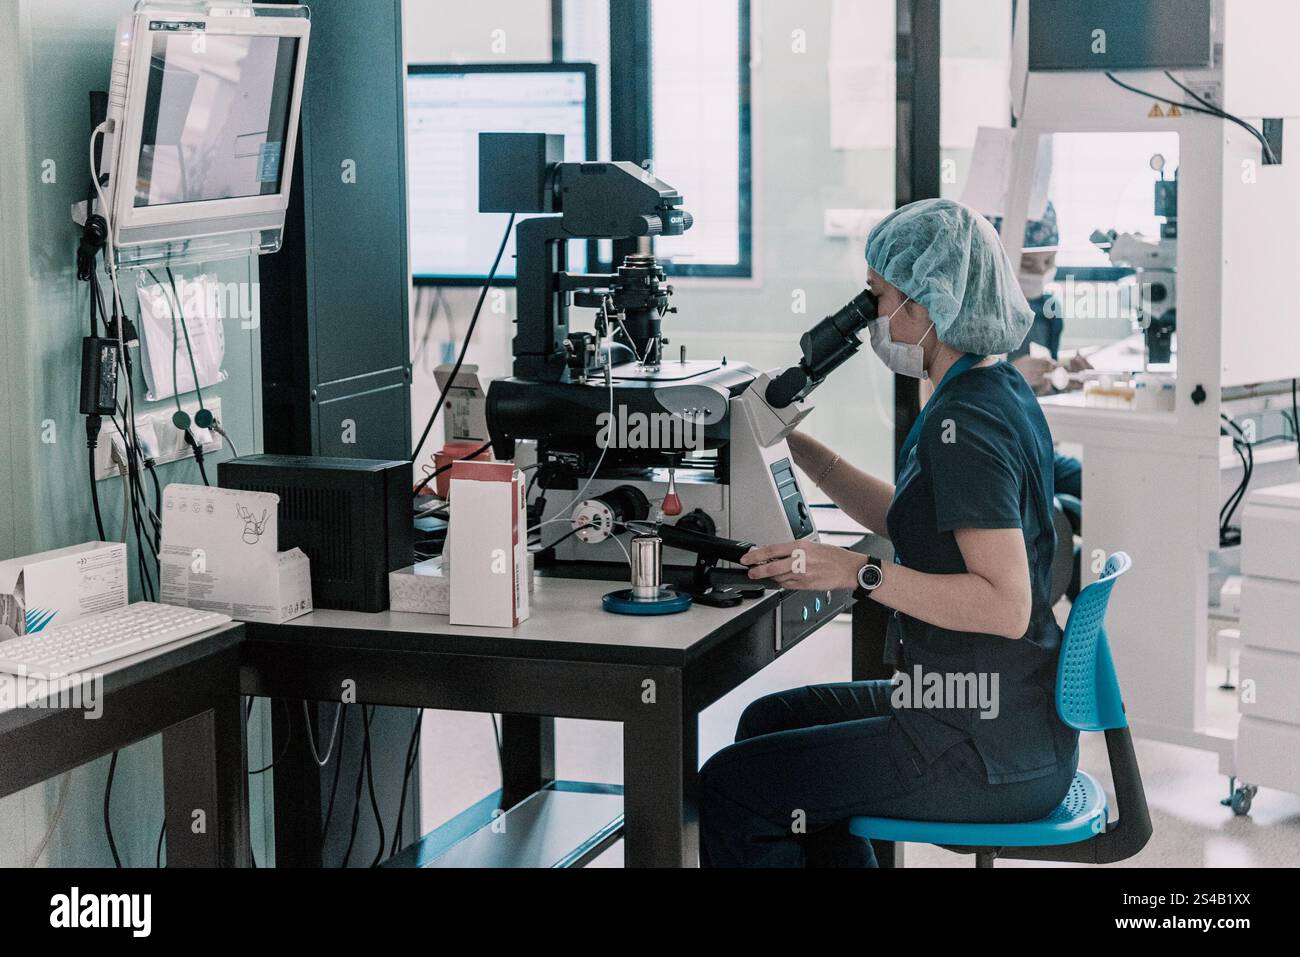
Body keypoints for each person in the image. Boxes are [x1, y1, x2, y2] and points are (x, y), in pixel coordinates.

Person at [696, 198, 1079, 868]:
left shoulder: (968, 425)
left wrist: (854, 571)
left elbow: (1005, 603)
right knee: (769, 725)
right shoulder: (992, 388)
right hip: (992, 712)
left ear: (926, 304)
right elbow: (910, 517)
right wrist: (798, 448)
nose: (871, 316)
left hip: (980, 747)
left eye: (878, 297)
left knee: (731, 789)